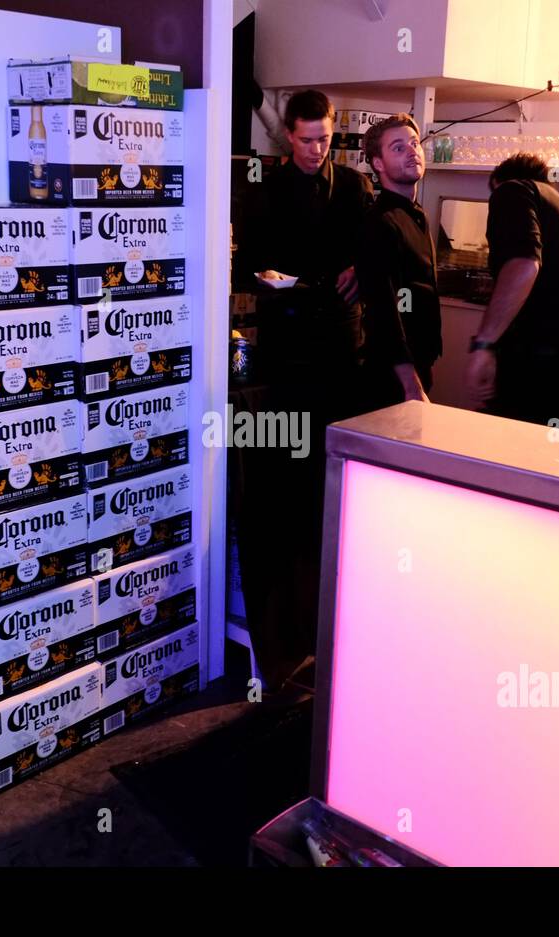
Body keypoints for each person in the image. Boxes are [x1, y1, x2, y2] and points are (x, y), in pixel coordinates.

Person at [232, 89, 374, 695]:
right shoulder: (264, 190)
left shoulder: (357, 189)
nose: (317, 149)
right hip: (288, 345)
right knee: (291, 476)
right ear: (287, 136)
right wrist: (268, 281)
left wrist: (363, 270)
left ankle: (339, 601)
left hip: (343, 347)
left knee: (336, 479)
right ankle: (287, 619)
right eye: (306, 139)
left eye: (325, 139)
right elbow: (244, 271)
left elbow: (376, 250)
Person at [467, 153, 559, 432]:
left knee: (511, 466)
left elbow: (524, 264)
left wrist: (484, 344)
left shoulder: (512, 189)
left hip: (540, 369)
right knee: (554, 469)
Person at [355, 113, 442, 408]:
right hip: (392, 378)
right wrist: (411, 386)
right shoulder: (381, 222)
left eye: (414, 143)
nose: (412, 152)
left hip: (419, 366)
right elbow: (383, 313)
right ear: (378, 164)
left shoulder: (417, 215)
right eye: (398, 147)